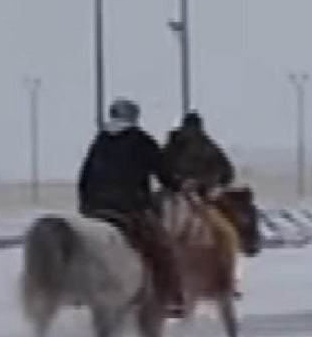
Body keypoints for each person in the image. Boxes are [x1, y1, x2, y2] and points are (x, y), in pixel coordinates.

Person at [77, 97, 185, 316]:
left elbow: (84, 177)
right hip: (131, 207)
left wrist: (87, 207)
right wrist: (175, 185)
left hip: (96, 210)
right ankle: (172, 297)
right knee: (162, 248)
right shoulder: (141, 140)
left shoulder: (100, 141)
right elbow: (162, 171)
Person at [161, 110, 243, 261]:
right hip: (199, 196)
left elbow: (161, 168)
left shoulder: (172, 145)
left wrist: (174, 183)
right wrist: (210, 184)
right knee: (225, 232)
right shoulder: (207, 145)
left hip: (172, 196)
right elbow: (227, 172)